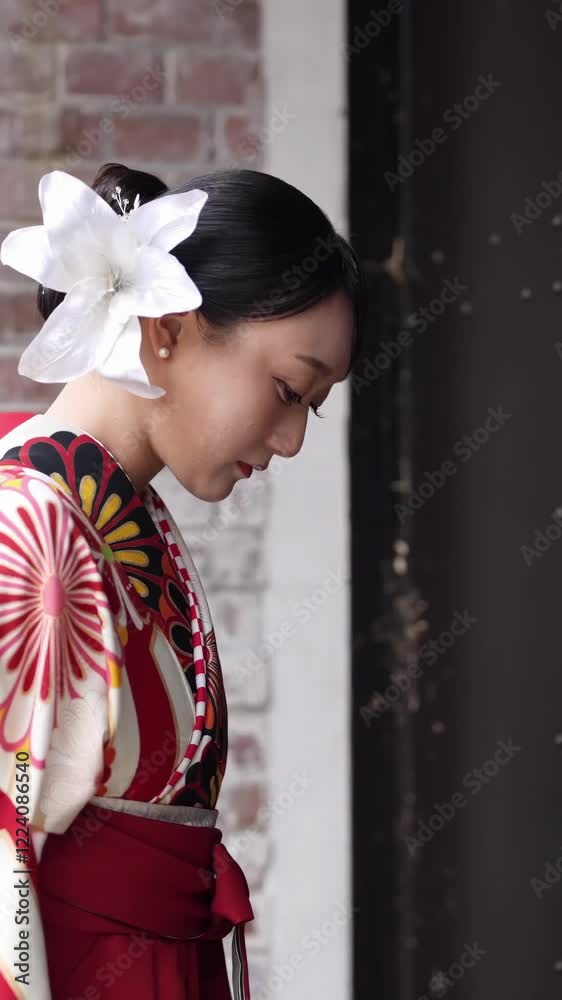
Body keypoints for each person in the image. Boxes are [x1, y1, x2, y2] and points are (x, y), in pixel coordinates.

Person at [0, 162, 364, 999]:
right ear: (167, 325)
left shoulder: (120, 517)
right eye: (287, 389)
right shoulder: (32, 529)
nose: (292, 439)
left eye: (311, 404)